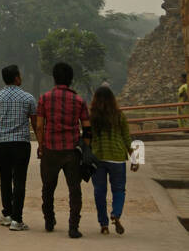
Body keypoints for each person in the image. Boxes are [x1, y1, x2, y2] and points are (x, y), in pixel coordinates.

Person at [32, 61, 91, 238]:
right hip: (72, 151)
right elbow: (87, 128)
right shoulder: (79, 100)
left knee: (48, 188)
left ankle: (49, 220)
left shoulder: (44, 98)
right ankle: (73, 226)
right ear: (71, 79)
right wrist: (86, 148)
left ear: (54, 78)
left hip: (50, 149)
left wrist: (41, 146)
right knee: (75, 190)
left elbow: (40, 125)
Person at [0, 64, 36, 229]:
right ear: (16, 78)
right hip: (21, 144)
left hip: (2, 144)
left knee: (5, 179)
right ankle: (17, 219)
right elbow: (36, 124)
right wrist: (41, 143)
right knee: (20, 180)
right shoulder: (28, 98)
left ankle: (7, 213)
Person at [89, 85, 137, 234]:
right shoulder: (119, 115)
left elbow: (86, 138)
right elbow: (127, 138)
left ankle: (103, 224)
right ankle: (115, 214)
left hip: (97, 157)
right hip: (117, 157)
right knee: (119, 190)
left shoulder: (92, 116)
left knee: (99, 191)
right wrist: (134, 158)